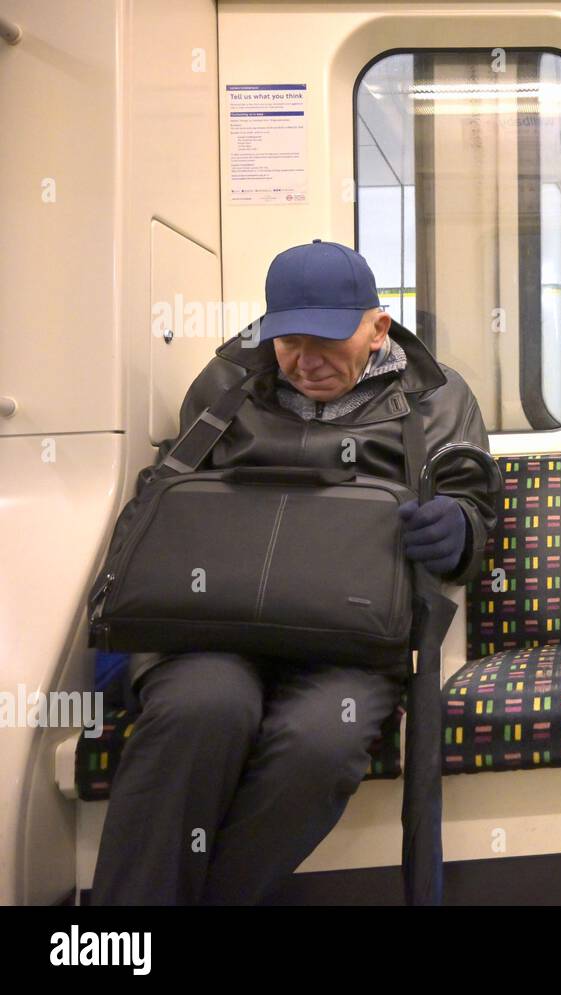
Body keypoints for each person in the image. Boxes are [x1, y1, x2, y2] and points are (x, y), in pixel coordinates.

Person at [91, 240, 497, 904]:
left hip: (351, 639)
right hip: (215, 628)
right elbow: (170, 496)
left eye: (326, 341)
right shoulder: (225, 386)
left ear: (377, 328)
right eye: (287, 342)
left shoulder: (439, 400)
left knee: (322, 741)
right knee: (199, 710)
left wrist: (458, 530)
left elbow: (477, 512)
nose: (304, 362)